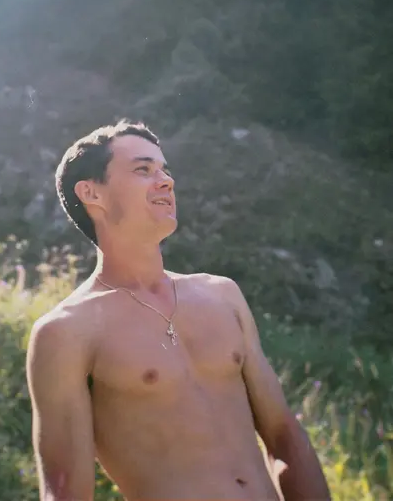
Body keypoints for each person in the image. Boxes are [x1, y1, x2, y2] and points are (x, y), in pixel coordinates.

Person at [26, 119, 331, 501]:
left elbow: (284, 436)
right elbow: (65, 490)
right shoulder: (67, 331)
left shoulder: (222, 295)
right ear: (92, 193)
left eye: (165, 170)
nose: (166, 181)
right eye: (143, 169)